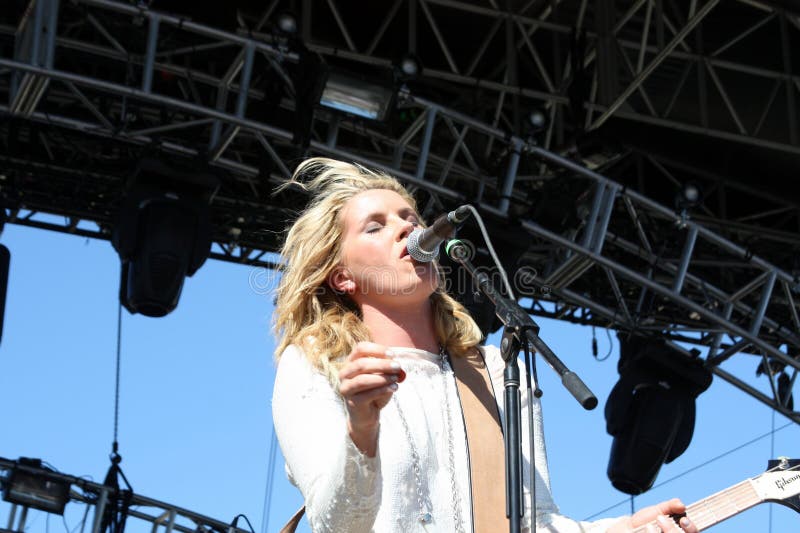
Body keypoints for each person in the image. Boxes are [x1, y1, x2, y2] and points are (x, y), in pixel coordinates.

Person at [271, 157, 697, 533]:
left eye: (410, 218)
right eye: (376, 226)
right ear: (343, 277)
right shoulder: (315, 364)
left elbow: (534, 522)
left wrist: (620, 530)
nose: (406, 227)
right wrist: (360, 428)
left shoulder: (494, 371)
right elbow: (335, 524)